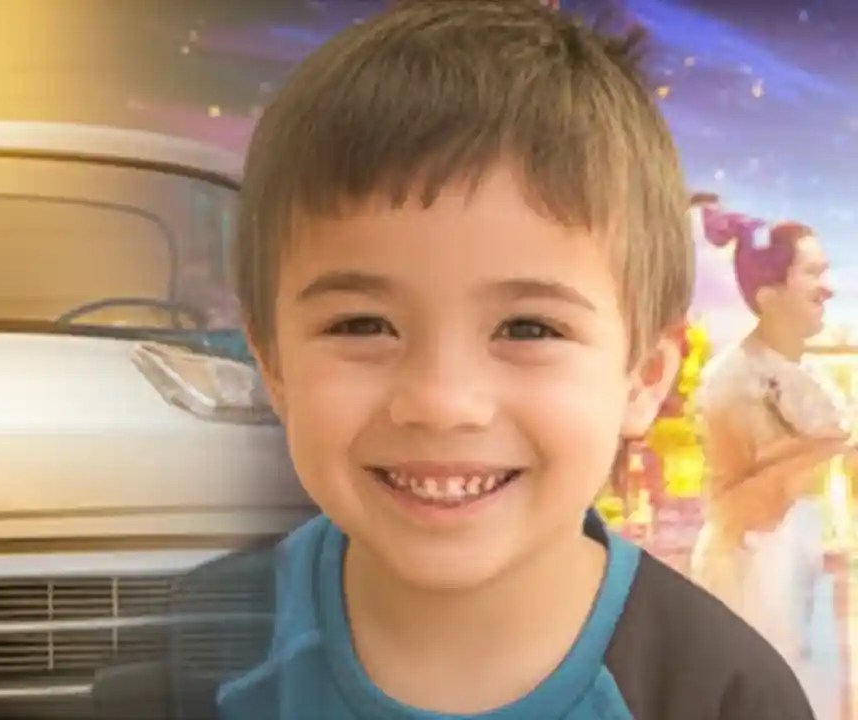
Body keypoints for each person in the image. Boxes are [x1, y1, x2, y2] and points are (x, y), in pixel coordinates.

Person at [186, 1, 814, 718]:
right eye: (363, 324)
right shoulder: (193, 654)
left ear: (643, 376)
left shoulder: (723, 695)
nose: (441, 401)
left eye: (527, 328)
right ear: (272, 363)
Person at [690, 198, 850, 719]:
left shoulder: (814, 379)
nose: (828, 288)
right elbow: (749, 502)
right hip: (751, 569)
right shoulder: (732, 381)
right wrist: (822, 448)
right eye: (813, 273)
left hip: (800, 565)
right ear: (769, 294)